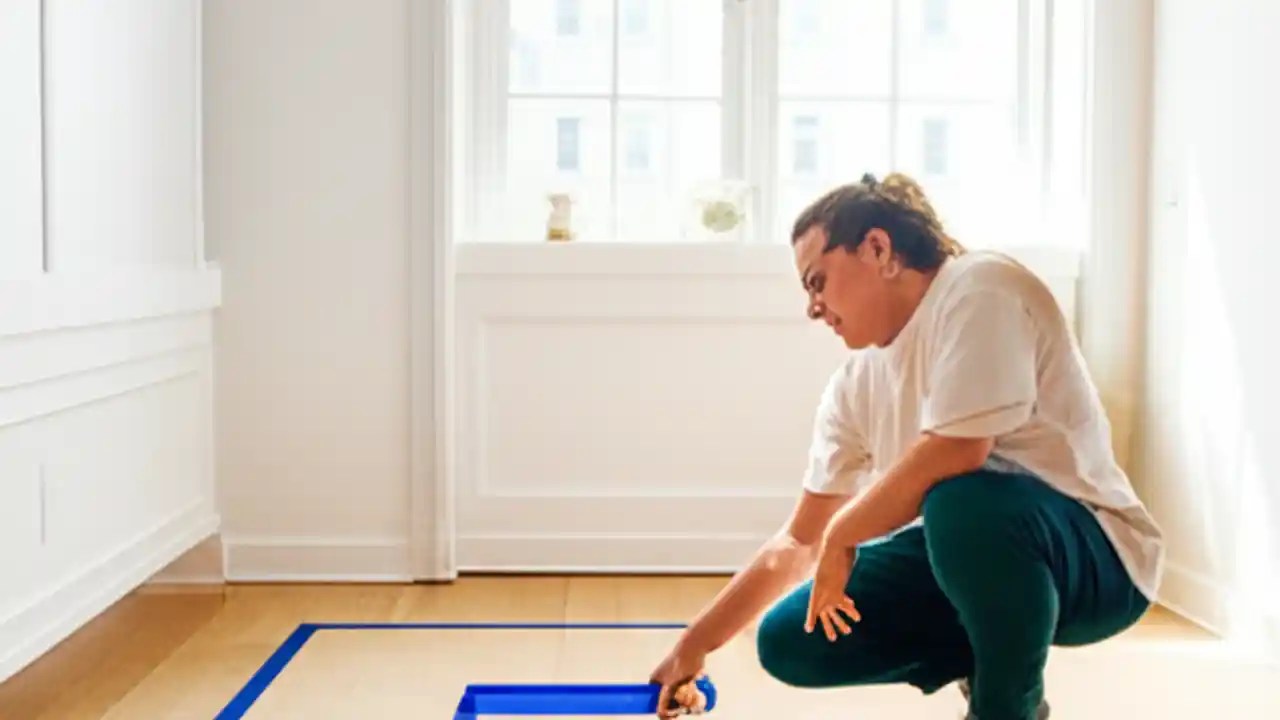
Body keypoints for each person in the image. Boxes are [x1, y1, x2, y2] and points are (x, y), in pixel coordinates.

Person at [648, 173, 1164, 720]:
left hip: (1098, 558)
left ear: (878, 249)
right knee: (789, 639)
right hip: (977, 558)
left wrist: (844, 534)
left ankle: (1005, 708)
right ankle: (984, 660)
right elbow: (800, 541)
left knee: (961, 504)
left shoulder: (980, 288)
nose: (812, 307)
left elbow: (957, 452)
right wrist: (695, 643)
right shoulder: (853, 388)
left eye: (817, 281)